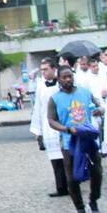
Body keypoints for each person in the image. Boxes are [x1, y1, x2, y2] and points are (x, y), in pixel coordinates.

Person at [47, 67, 103, 213]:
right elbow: (51, 120)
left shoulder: (84, 92)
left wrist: (99, 109)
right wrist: (66, 129)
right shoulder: (55, 98)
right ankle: (79, 208)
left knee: (96, 172)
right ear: (59, 79)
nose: (68, 80)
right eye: (64, 77)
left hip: (88, 139)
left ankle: (93, 200)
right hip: (69, 142)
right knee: (72, 178)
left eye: (70, 76)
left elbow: (97, 104)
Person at [30, 58, 69, 197]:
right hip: (48, 126)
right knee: (55, 159)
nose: (44, 72)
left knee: (66, 158)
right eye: (42, 70)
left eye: (46, 69)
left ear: (54, 69)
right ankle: (61, 187)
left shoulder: (62, 84)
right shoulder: (41, 85)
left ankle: (71, 186)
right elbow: (38, 107)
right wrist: (38, 131)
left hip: (62, 125)